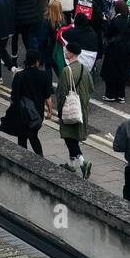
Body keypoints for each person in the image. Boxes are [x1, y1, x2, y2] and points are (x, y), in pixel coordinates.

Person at [54, 41, 92, 178]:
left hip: (69, 108)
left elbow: (61, 93)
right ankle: (71, 164)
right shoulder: (85, 69)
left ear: (70, 53)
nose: (65, 52)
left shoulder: (66, 71)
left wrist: (59, 110)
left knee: (68, 135)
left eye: (66, 51)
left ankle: (82, 162)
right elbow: (91, 88)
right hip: (82, 109)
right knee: (73, 135)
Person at [5, 53, 52, 156]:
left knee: (22, 137)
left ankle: (23, 158)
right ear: (37, 62)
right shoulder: (44, 76)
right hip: (37, 113)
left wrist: (12, 110)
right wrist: (50, 111)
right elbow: (47, 96)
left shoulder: (19, 75)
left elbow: (13, 96)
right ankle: (40, 157)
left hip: (22, 112)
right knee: (34, 135)